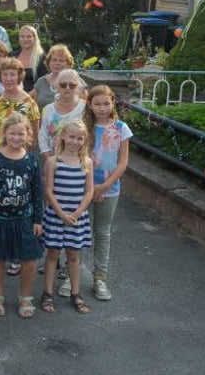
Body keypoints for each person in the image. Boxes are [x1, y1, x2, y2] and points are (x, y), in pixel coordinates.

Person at [63, 85, 131, 303]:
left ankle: (100, 277)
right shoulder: (85, 129)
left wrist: (103, 187)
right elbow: (80, 158)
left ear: (113, 103)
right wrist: (91, 189)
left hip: (109, 190)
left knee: (102, 233)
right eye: (97, 104)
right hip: (83, 189)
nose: (102, 108)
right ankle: (71, 275)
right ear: (89, 106)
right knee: (78, 233)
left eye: (106, 103)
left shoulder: (121, 128)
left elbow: (122, 162)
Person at [0, 113, 43, 319]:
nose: (16, 137)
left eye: (21, 133)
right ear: (4, 134)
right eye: (12, 133)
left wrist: (37, 219)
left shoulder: (32, 161)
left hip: (24, 219)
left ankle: (25, 297)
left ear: (28, 134)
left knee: (30, 260)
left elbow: (37, 192)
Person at [41, 119, 94, 315]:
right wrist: (62, 214)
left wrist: (76, 214)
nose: (75, 141)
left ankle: (75, 293)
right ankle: (47, 293)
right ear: (63, 136)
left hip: (76, 218)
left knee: (73, 256)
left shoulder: (86, 162)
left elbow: (89, 192)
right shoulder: (53, 162)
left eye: (80, 138)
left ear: (85, 140)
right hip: (56, 216)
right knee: (52, 254)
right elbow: (48, 191)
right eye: (71, 136)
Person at [0, 57, 40, 159]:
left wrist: (26, 150)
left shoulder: (29, 102)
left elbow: (34, 132)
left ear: (19, 77)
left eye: (12, 74)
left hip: (17, 153)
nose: (8, 79)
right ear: (0, 77)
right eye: (5, 74)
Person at [38, 69, 87, 156]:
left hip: (78, 160)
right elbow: (43, 136)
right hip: (52, 159)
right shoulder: (48, 109)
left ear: (78, 87)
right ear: (57, 86)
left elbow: (90, 135)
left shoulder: (85, 108)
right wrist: (48, 159)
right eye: (63, 85)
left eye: (72, 85)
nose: (67, 88)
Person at [14, 25, 46, 93]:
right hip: (13, 96)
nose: (25, 39)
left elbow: (44, 82)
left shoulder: (42, 58)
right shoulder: (12, 56)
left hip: (35, 97)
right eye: (22, 36)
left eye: (29, 36)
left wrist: (28, 97)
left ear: (35, 38)